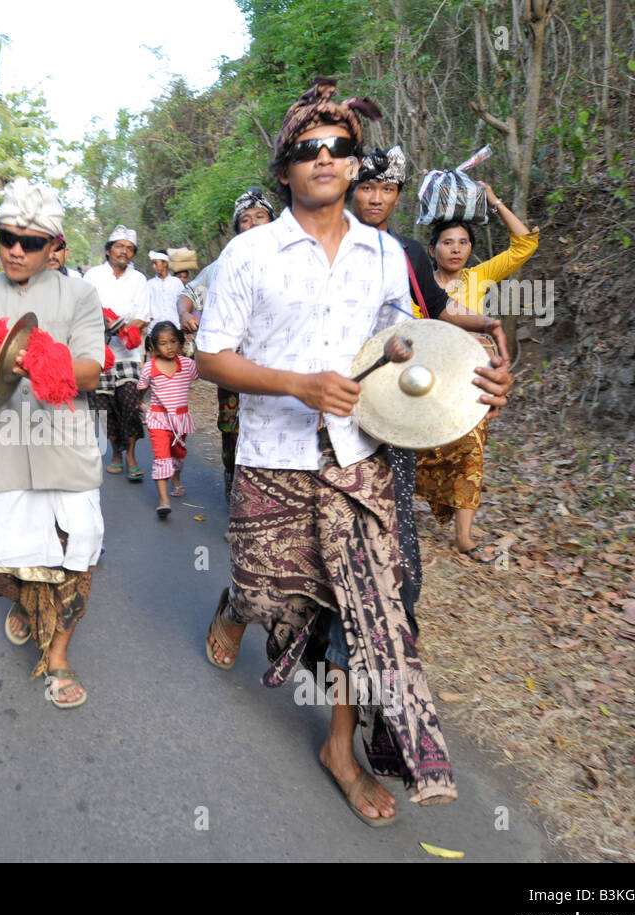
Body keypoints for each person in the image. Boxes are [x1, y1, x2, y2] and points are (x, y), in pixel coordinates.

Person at [195, 78, 458, 823]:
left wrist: (463, 374)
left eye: (340, 147)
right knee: (271, 591)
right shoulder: (249, 252)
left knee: (367, 603)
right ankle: (236, 609)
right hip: (273, 454)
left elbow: (402, 342)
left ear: (355, 162)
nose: (325, 157)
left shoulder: (384, 254)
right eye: (308, 148)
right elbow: (212, 357)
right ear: (285, 168)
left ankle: (340, 746)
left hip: (359, 455)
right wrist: (297, 384)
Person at [0, 178, 104, 710]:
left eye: (30, 242)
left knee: (77, 557)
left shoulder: (81, 295)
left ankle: (57, 658)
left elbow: (91, 369)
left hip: (67, 448)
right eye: (6, 237)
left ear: (54, 246)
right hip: (5, 452)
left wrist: (41, 359)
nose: (15, 249)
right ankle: (28, 599)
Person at [351, 146, 514, 588]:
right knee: (350, 520)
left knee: (398, 512)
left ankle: (401, 612)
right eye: (366, 187)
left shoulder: (409, 254)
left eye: (387, 189)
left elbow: (439, 310)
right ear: (351, 190)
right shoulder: (328, 248)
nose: (376, 198)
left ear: (399, 196)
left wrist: (487, 322)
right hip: (341, 396)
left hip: (398, 391)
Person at [417, 191, 537, 560]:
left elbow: (525, 244)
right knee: (418, 452)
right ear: (432, 248)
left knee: (472, 452)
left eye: (464, 242)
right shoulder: (419, 284)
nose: (456, 250)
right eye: (447, 243)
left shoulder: (479, 276)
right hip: (426, 382)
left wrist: (495, 201)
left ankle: (464, 538)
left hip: (472, 379)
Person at [178, 187, 275, 501]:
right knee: (233, 434)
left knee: (274, 434)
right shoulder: (223, 265)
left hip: (277, 370)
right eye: (245, 220)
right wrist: (185, 313)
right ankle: (236, 503)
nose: (253, 224)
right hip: (233, 370)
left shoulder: (292, 261)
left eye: (260, 217)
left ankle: (270, 506)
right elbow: (189, 294)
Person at [82, 225, 151, 481]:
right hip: (98, 352)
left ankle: (131, 454)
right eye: (119, 246)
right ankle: (116, 453)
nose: (124, 251)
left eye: (129, 248)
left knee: (131, 405)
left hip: (129, 354)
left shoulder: (139, 279)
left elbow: (143, 317)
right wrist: (103, 323)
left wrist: (124, 328)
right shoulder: (93, 277)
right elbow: (84, 310)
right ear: (109, 249)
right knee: (104, 407)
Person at [137, 321, 196, 518]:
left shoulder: (187, 365)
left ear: (180, 343)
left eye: (173, 341)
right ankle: (164, 500)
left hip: (180, 420)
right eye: (163, 343)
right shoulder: (149, 368)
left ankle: (176, 478)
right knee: (162, 458)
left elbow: (204, 370)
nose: (169, 347)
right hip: (158, 419)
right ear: (154, 346)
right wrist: (139, 403)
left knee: (178, 454)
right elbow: (142, 389)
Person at [145, 251, 183, 333]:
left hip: (175, 326)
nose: (153, 266)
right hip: (154, 328)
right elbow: (147, 307)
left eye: (156, 263)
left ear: (165, 263)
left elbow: (182, 304)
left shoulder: (176, 282)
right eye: (152, 264)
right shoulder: (149, 284)